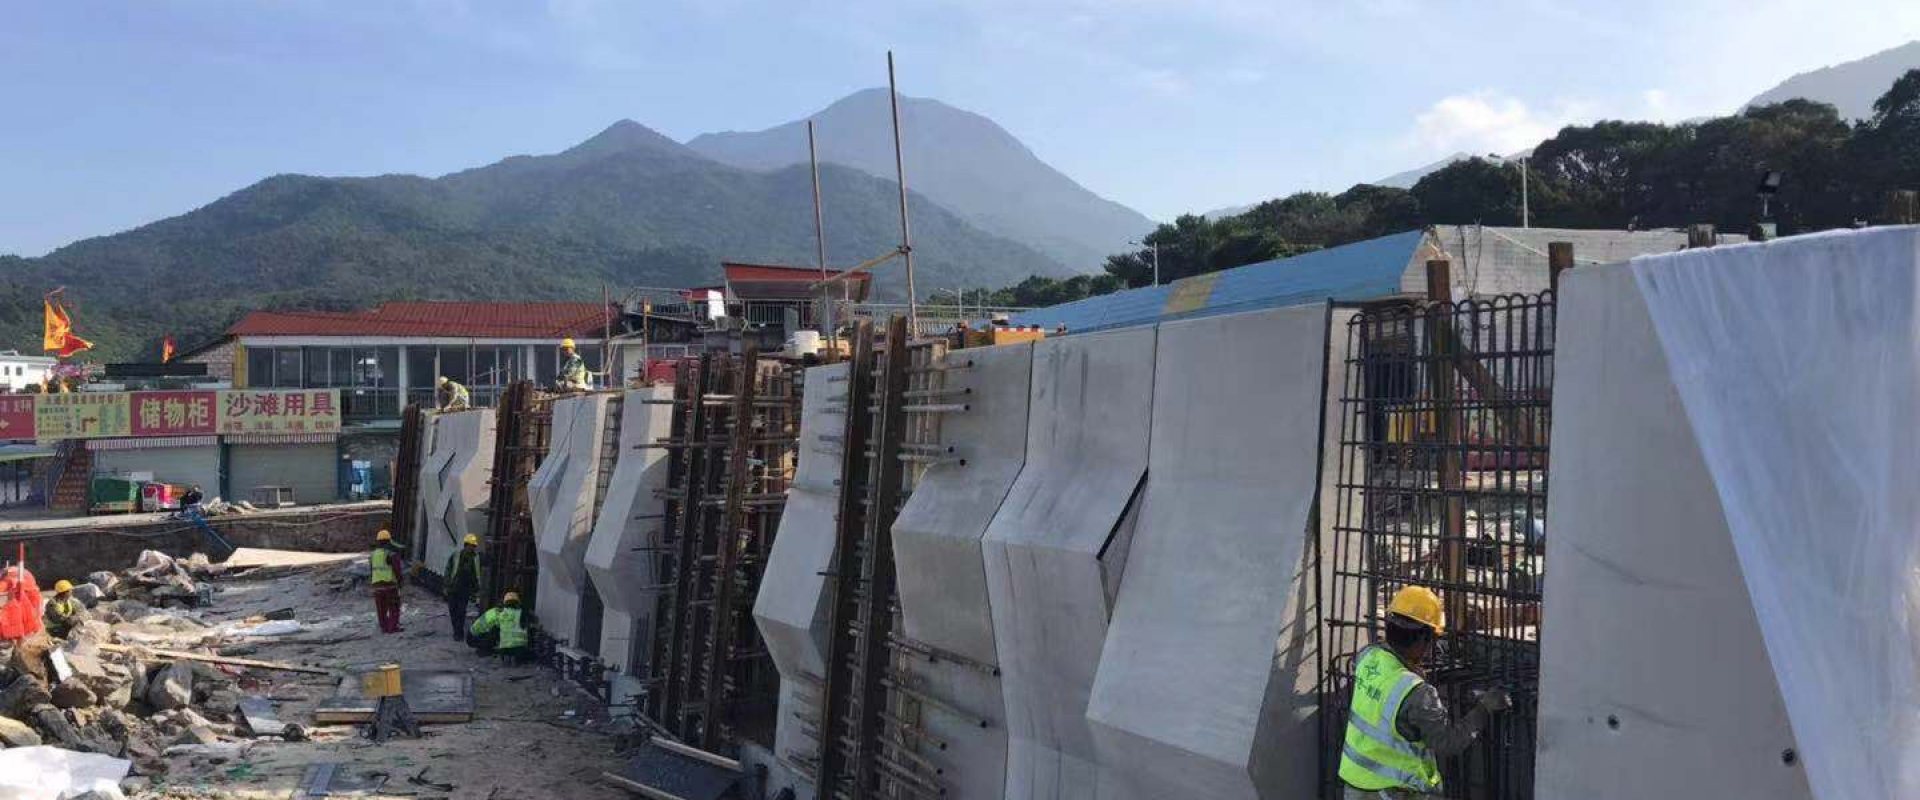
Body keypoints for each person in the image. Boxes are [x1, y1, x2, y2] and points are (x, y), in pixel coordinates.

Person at [1339, 586, 1512, 800]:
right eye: (1432, 640)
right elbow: (1449, 742)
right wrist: (1484, 708)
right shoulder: (1417, 693)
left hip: (1355, 785)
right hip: (1393, 793)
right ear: (1423, 639)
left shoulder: (1368, 657)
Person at [468, 591, 530, 662]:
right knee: (497, 630)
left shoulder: (498, 612)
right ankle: (484, 649)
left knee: (498, 630)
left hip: (473, 635)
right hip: (474, 637)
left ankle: (486, 648)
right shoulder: (504, 614)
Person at [443, 534, 483, 640]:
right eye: (471, 546)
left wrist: (476, 590)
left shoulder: (476, 558)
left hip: (465, 590)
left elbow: (477, 574)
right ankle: (456, 630)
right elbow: (448, 570)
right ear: (466, 545)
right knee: (453, 610)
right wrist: (446, 585)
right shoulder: (456, 556)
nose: (473, 548)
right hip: (453, 587)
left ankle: (458, 633)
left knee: (461, 611)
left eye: (474, 546)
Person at [369, 530, 407, 634]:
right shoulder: (391, 554)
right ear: (389, 541)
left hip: (376, 585)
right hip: (389, 585)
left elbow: (371, 570)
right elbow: (397, 570)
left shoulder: (373, 555)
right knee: (394, 607)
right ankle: (393, 627)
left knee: (381, 609)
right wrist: (400, 582)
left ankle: (384, 627)